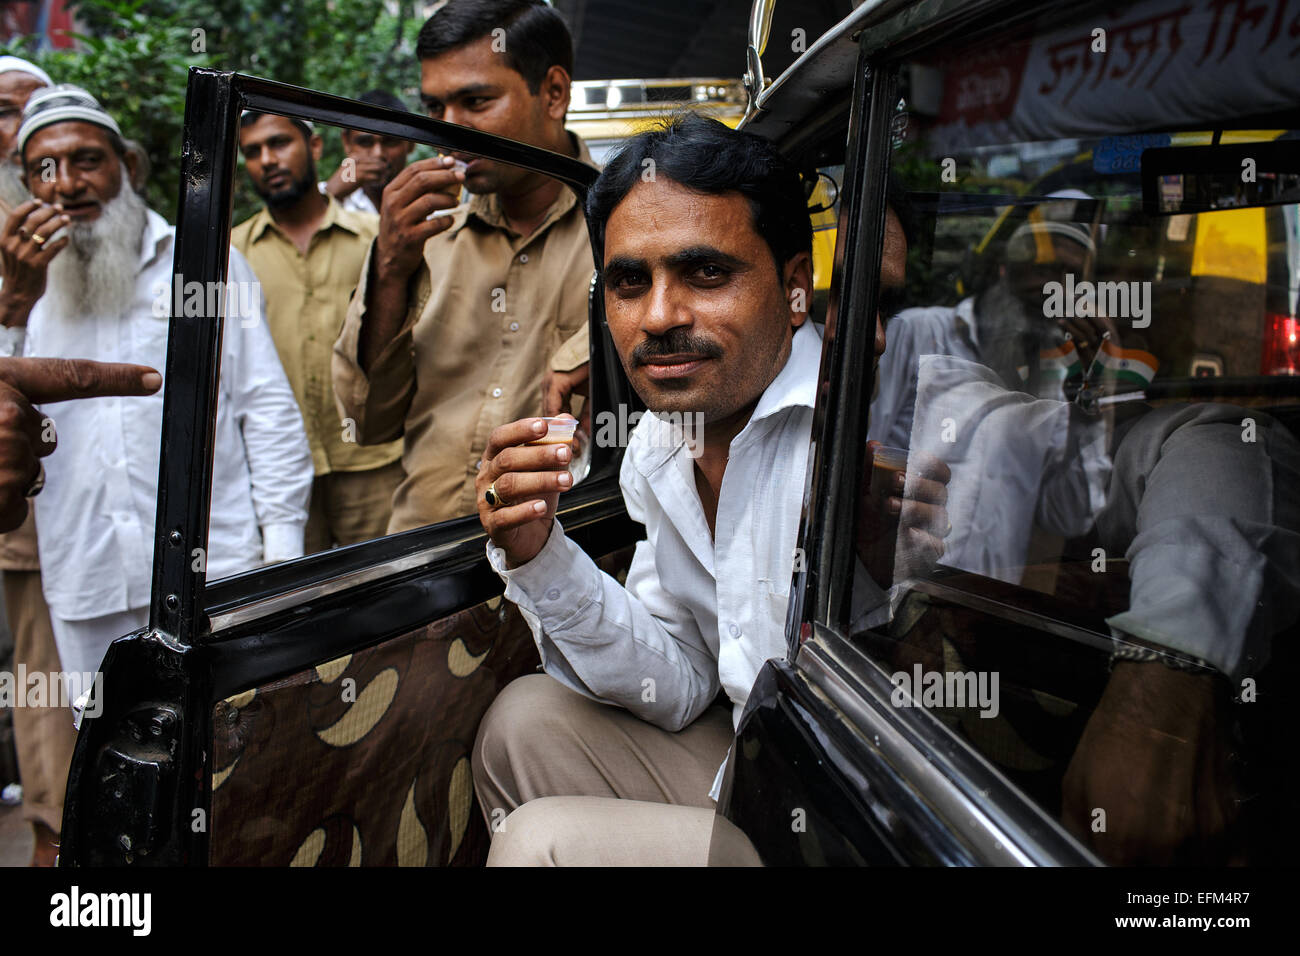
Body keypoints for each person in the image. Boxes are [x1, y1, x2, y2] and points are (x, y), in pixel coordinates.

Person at [470, 115, 948, 865]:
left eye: (706, 274)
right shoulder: (664, 443)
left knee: (540, 846)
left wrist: (903, 572)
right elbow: (685, 681)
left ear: (795, 288)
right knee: (522, 720)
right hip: (764, 777)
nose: (659, 318)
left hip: (870, 830)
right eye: (631, 281)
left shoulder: (877, 428)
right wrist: (538, 553)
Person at [0, 85, 313, 693]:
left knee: (235, 753)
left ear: (130, 166)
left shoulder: (203, 261)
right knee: (114, 770)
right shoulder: (13, 287)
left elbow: (264, 407)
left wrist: (280, 556)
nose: (66, 184)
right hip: (87, 579)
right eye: (45, 168)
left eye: (87, 160)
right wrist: (13, 305)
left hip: (217, 573)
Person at [333, 0, 595, 533]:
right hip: (424, 571)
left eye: (476, 101)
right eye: (434, 109)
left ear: (554, 93)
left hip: (572, 575)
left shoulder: (627, 231)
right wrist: (389, 267)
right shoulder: (419, 233)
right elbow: (366, 423)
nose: (449, 129)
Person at [234, 111, 402, 553]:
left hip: (372, 464)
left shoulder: (376, 240)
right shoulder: (232, 255)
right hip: (281, 478)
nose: (267, 160)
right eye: (252, 151)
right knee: (295, 607)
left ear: (314, 148)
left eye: (279, 143)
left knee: (381, 599)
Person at [319, 90, 415, 217]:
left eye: (390, 141)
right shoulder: (317, 197)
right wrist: (330, 195)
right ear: (346, 142)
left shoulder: (429, 204)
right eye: (365, 142)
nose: (378, 153)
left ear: (411, 144)